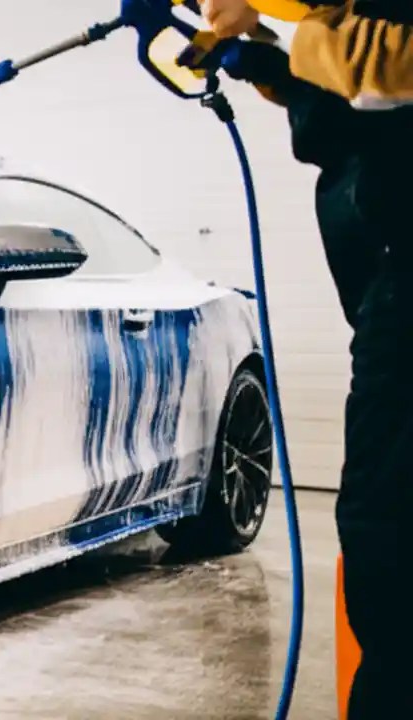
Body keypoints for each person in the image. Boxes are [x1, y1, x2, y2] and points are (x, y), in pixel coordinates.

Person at [199, 1, 412, 717]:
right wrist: (263, 54)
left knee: (388, 541)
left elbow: (384, 69)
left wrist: (284, 23)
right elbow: (354, 101)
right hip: (383, 285)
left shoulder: (359, 28)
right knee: (379, 543)